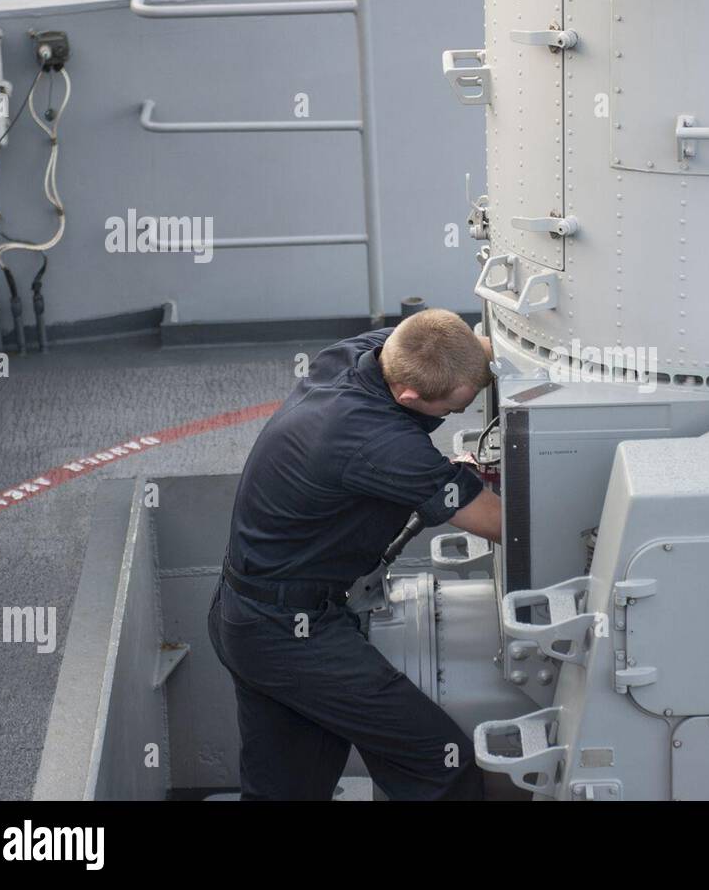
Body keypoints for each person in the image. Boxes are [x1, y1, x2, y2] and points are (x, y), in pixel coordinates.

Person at [207, 308, 502, 800]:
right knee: (439, 764)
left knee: (287, 789)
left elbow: (442, 343)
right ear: (411, 398)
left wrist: (480, 358)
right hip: (287, 634)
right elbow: (504, 524)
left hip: (250, 613)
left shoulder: (370, 353)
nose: (455, 415)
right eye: (454, 409)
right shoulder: (378, 443)